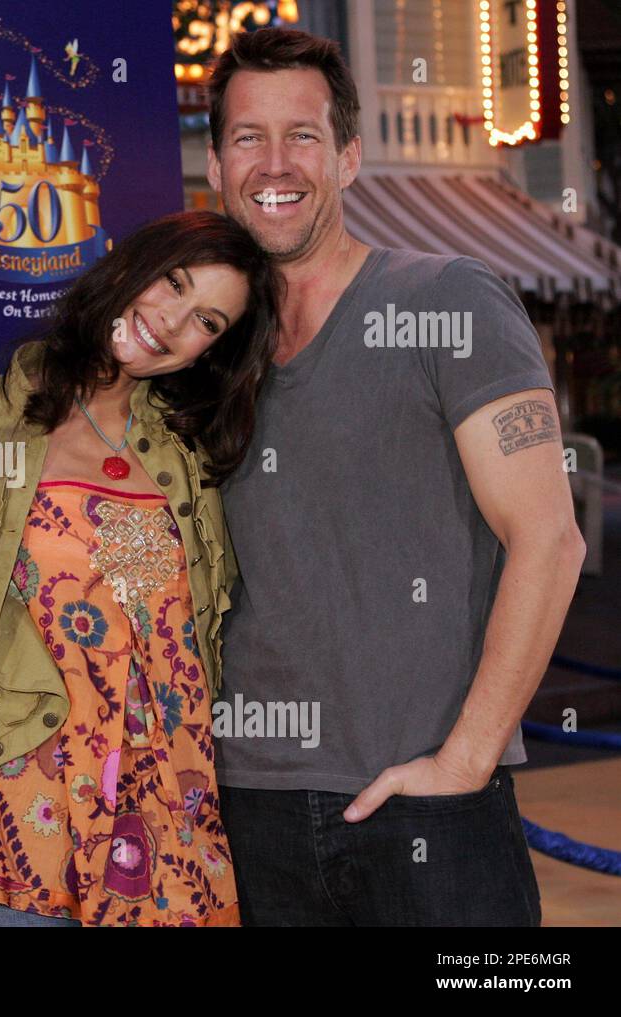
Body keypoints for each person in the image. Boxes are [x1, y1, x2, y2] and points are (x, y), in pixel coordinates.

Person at [204, 27, 585, 926]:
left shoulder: (447, 298)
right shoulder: (209, 351)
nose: (275, 161)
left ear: (349, 156)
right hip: (248, 807)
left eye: (303, 134)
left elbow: (551, 538)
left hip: (433, 806)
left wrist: (465, 761)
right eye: (247, 137)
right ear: (216, 165)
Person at [0, 211, 278, 926]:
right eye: (173, 281)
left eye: (207, 321)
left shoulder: (195, 459)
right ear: (131, 264)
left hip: (170, 808)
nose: (169, 320)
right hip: (20, 795)